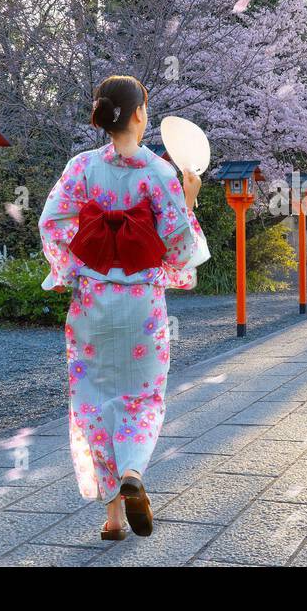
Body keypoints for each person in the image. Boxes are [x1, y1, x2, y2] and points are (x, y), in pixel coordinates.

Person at [38, 75, 208, 540]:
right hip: (141, 304)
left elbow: (50, 221)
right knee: (142, 397)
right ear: (139, 114)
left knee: (93, 401)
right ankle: (133, 471)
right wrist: (189, 202)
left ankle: (112, 517)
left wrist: (70, 268)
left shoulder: (81, 167)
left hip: (92, 303)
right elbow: (180, 243)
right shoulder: (159, 172)